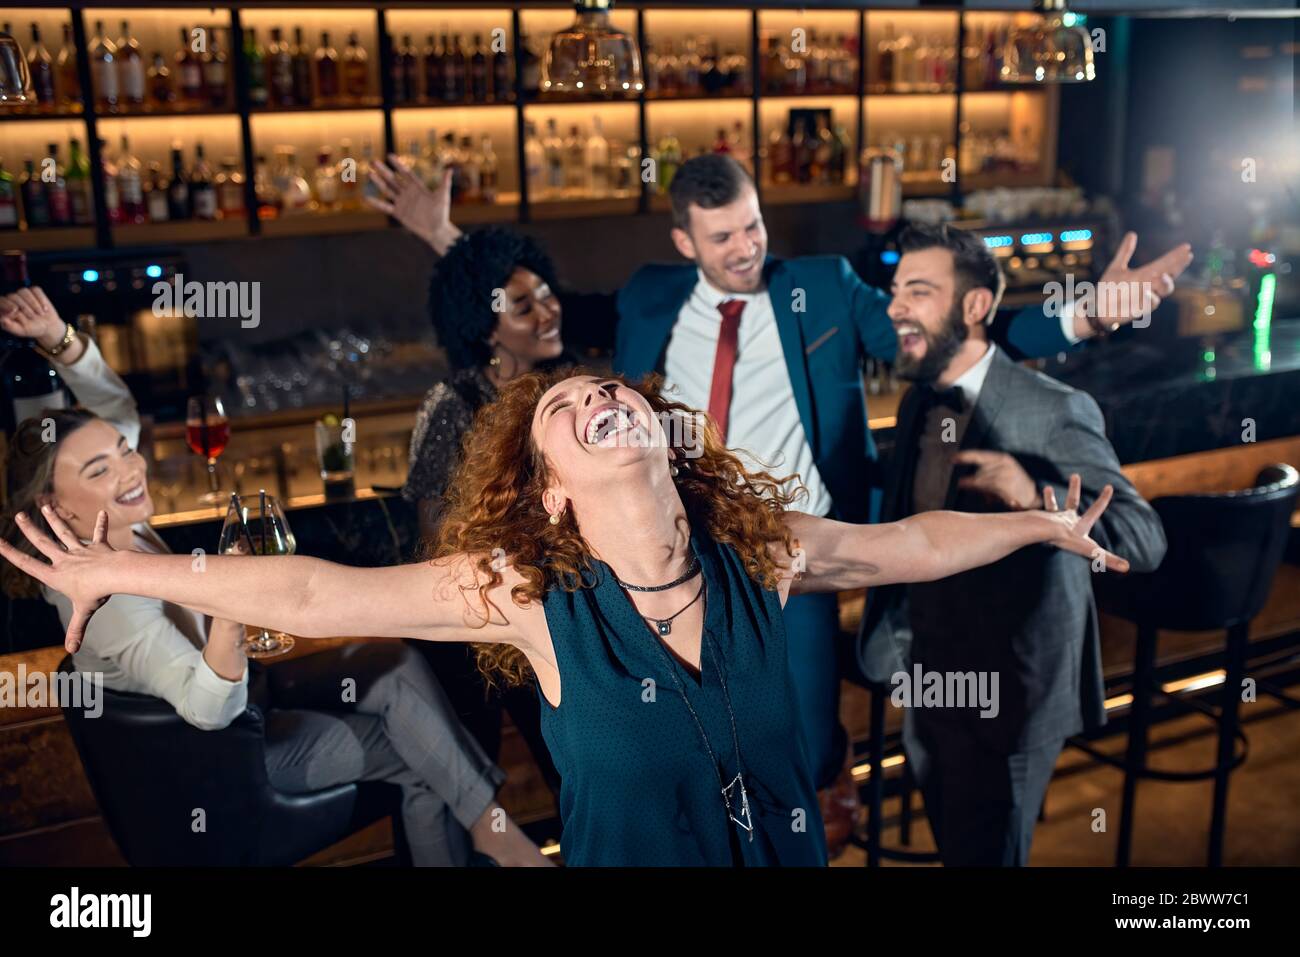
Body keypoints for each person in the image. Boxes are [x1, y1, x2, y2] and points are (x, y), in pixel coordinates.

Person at [367, 151, 1193, 845]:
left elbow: (960, 334)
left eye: (754, 228)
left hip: (786, 547)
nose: (744, 248)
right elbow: (527, 310)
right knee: (662, 748)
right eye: (722, 236)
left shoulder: (826, 286)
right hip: (674, 556)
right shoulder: (652, 297)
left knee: (797, 748)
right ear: (684, 238)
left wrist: (1084, 315)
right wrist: (442, 234)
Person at [4, 368, 1134, 867]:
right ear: (547, 486)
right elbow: (306, 592)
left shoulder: (762, 553)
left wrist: (1041, 529)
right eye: (565, 404)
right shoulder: (527, 594)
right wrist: (140, 576)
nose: (598, 397)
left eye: (611, 392)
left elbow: (911, 545)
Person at [0, 287, 549, 867]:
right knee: (422, 759)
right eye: (100, 467)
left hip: (248, 701)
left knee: (393, 663)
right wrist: (230, 606)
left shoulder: (99, 530)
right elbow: (210, 709)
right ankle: (500, 837)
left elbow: (115, 409)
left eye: (122, 448)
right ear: (55, 508)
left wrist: (59, 340)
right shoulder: (110, 603)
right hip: (221, 757)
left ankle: (494, 830)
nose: (131, 466)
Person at [856, 224, 1169, 865]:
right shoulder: (921, 396)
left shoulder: (1054, 408)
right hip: (927, 673)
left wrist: (1038, 497)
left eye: (917, 291)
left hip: (1011, 689)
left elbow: (1145, 538)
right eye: (894, 292)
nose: (894, 308)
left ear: (973, 308)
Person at [396, 223, 566, 797]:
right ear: (487, 329)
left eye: (546, 294)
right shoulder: (455, 404)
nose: (548, 312)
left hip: (557, 609)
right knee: (478, 788)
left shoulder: (565, 389)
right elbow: (437, 534)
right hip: (480, 627)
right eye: (524, 306)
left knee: (573, 773)